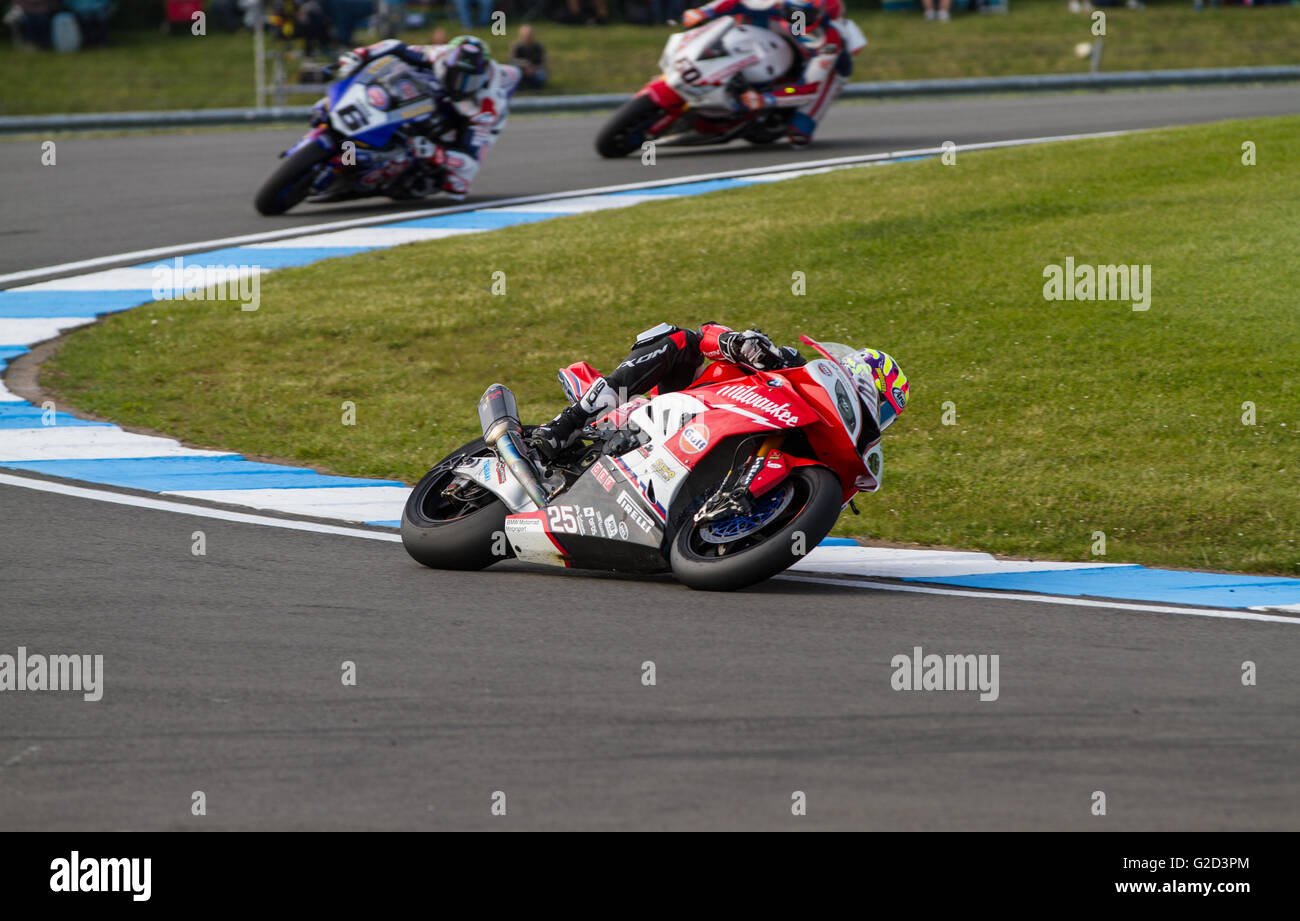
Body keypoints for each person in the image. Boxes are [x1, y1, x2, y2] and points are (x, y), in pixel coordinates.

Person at [531, 322, 909, 459]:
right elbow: (711, 330)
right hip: (690, 402)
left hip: (714, 448)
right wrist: (739, 343)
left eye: (884, 416)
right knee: (682, 338)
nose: (874, 415)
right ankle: (568, 423)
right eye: (875, 402)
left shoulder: (838, 446)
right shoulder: (794, 364)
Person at [334, 35, 521, 200]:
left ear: (482, 77)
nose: (460, 85)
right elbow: (396, 48)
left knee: (458, 184)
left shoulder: (488, 105)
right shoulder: (438, 54)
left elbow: (469, 162)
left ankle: (398, 172)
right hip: (434, 95)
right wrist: (361, 54)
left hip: (471, 119)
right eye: (456, 76)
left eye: (468, 81)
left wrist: (434, 152)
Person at [681, 0, 854, 146]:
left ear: (820, 13)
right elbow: (736, 1)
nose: (798, 22)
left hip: (820, 70)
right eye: (792, 13)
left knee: (799, 133)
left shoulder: (829, 42)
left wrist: (767, 99)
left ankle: (786, 116)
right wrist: (704, 11)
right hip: (769, 50)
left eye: (805, 16)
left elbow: (809, 88)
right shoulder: (770, 4)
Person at [509, 24, 548, 89]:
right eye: (525, 36)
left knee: (541, 75)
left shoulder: (539, 47)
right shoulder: (516, 46)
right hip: (521, 70)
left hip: (535, 70)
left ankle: (535, 86)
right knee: (515, 72)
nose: (528, 37)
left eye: (529, 35)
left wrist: (533, 68)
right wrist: (524, 65)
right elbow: (512, 61)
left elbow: (543, 63)